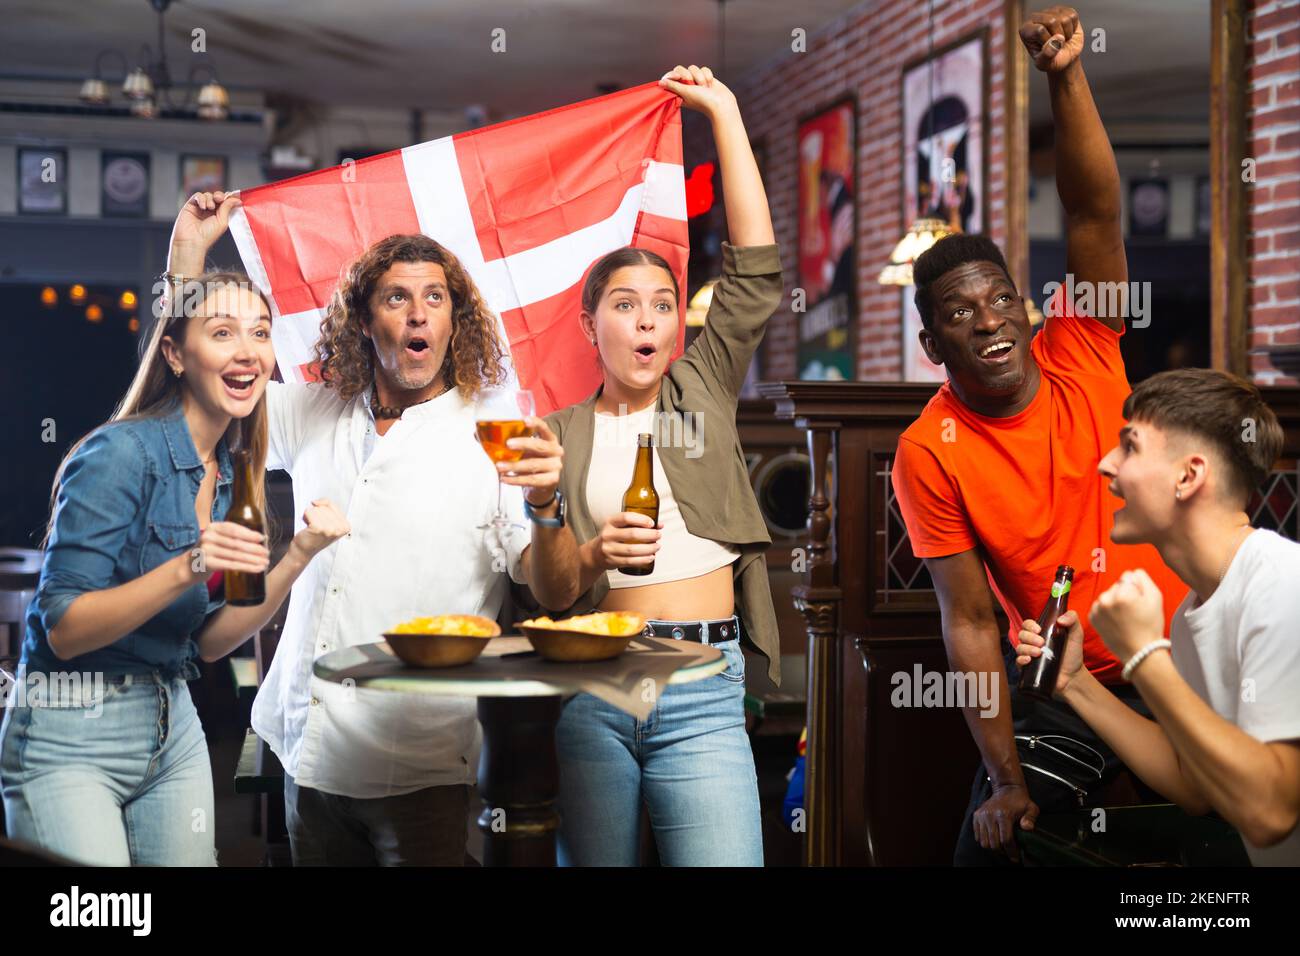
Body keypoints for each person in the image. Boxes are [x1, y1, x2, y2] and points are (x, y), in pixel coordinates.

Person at [167, 193, 576, 866]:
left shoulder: (493, 436)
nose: (418, 313)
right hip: (304, 744)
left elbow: (552, 589)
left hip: (416, 763)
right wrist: (188, 254)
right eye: (396, 298)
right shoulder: (313, 413)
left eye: (436, 299)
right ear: (363, 320)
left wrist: (547, 501)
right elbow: (197, 385)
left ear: (455, 322)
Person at [889, 5, 1190, 864]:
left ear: (1024, 309)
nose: (988, 321)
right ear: (931, 343)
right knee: (993, 843)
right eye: (958, 313)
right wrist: (1005, 776)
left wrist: (1065, 75)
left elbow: (1095, 213)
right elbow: (973, 625)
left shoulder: (1082, 345)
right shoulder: (928, 449)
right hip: (1072, 689)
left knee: (1231, 836)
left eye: (998, 300)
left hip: (1190, 662)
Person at [0, 219, 349, 865]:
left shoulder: (230, 474)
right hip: (68, 733)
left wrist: (300, 554)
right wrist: (193, 563)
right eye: (222, 334)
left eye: (260, 333)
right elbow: (65, 631)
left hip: (172, 725)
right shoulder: (118, 453)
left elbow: (213, 644)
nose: (248, 351)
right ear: (176, 356)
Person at [542, 64, 781, 866]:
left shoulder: (702, 386)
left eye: (662, 305)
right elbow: (548, 588)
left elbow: (755, 270)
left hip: (703, 688)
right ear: (590, 324)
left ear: (679, 322)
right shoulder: (557, 433)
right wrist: (586, 549)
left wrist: (725, 111)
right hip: (593, 687)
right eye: (623, 305)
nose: (646, 321)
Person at [1015, 369, 1300, 865]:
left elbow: (1271, 812)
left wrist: (1145, 654)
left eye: (1130, 447)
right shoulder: (1197, 608)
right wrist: (1076, 681)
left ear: (1188, 476)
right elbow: (1194, 785)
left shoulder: (1281, 585)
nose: (1106, 465)